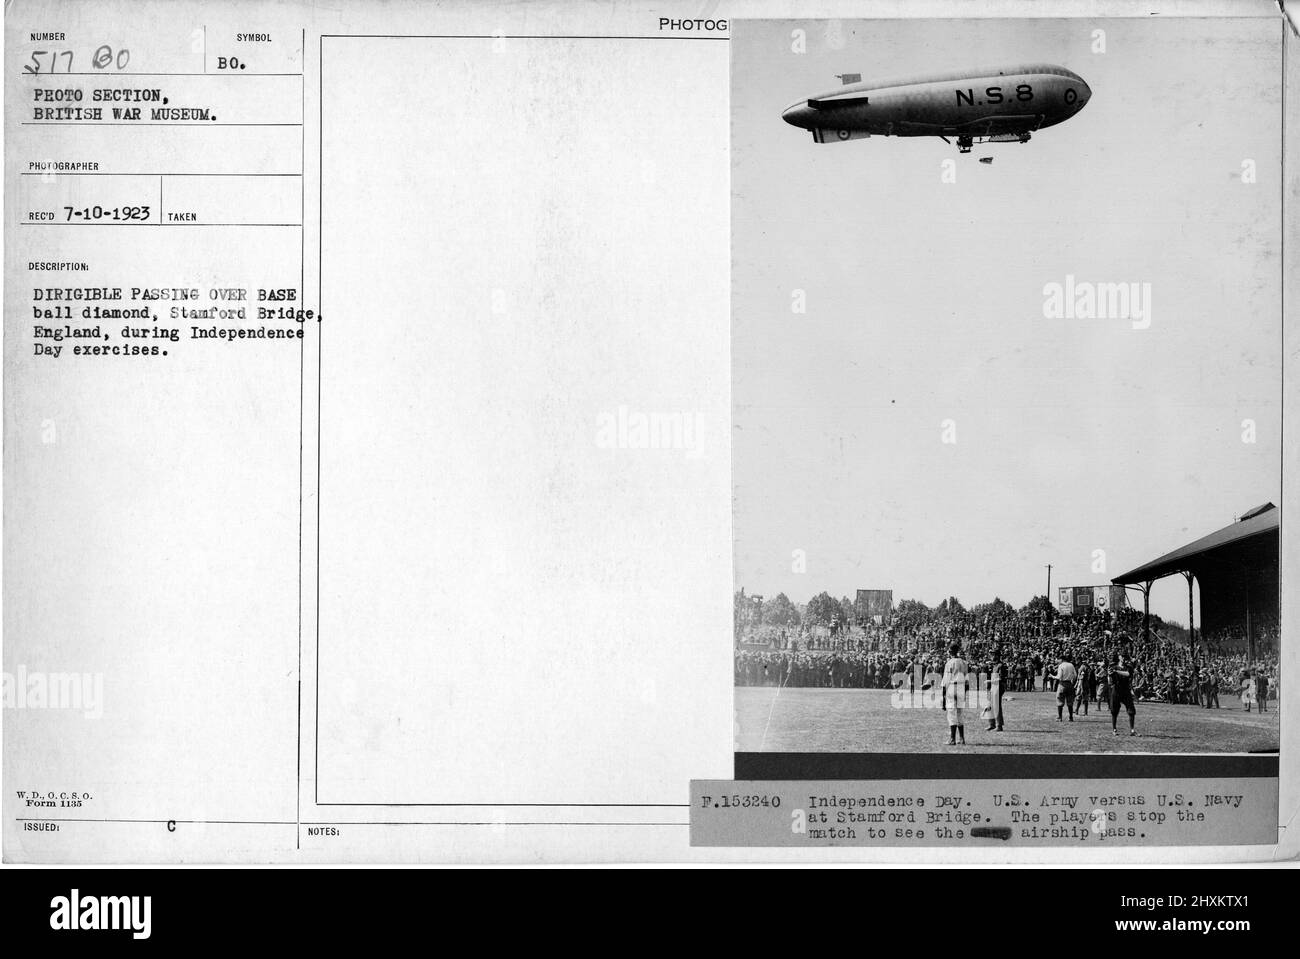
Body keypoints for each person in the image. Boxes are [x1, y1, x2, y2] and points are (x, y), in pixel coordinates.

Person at [1107, 635, 1138, 736]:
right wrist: (1110, 673)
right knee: (1114, 711)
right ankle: (1114, 729)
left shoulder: (1129, 666)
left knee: (1131, 711)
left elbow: (1128, 674)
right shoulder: (1113, 666)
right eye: (1122, 656)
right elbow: (1110, 677)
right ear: (1119, 656)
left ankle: (1132, 730)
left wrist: (1116, 671)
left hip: (1125, 690)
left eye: (1125, 656)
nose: (1124, 658)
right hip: (1116, 690)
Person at [941, 642, 969, 746]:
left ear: (950, 651)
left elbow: (945, 681)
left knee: (951, 713)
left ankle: (952, 739)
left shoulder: (949, 663)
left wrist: (943, 697)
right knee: (960, 713)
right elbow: (967, 681)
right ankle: (962, 739)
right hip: (961, 687)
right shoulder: (964, 662)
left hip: (952, 687)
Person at [1054, 655, 1078, 722]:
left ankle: (1059, 717)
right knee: (1070, 702)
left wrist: (1053, 676)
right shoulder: (1071, 665)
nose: (1057, 661)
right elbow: (1075, 675)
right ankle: (1071, 717)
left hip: (1062, 684)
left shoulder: (1061, 666)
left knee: (1060, 701)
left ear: (1061, 659)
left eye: (1058, 659)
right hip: (1070, 684)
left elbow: (1059, 677)